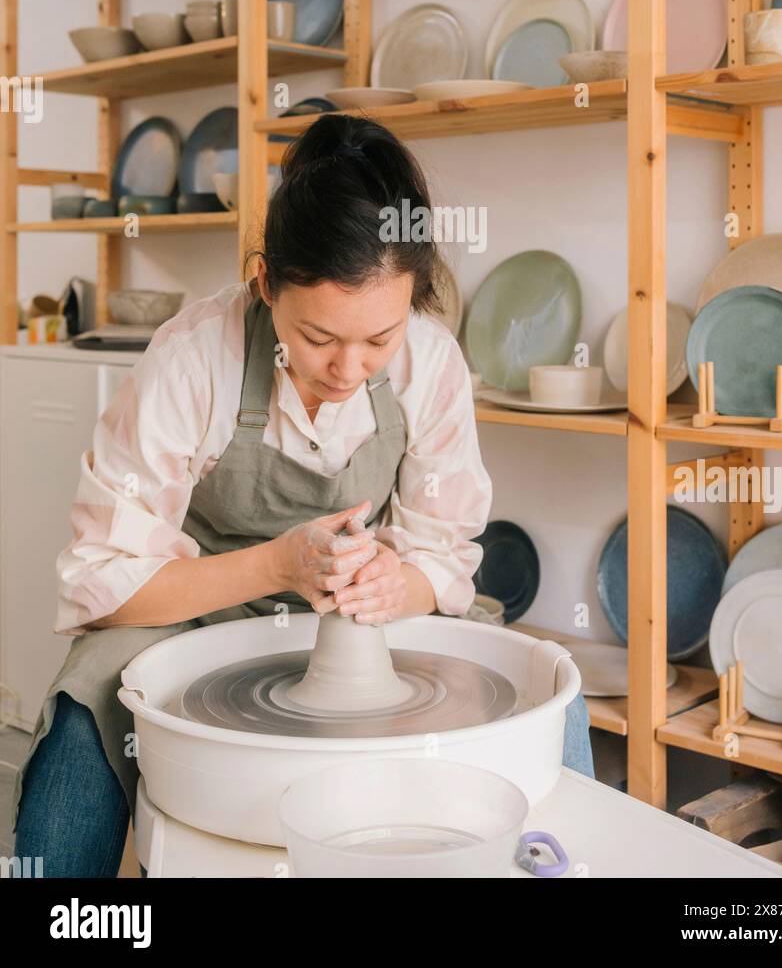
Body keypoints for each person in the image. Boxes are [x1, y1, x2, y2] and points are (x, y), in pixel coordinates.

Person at [13, 114, 594, 877]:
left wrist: (399, 581)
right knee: (83, 731)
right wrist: (278, 566)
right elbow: (102, 581)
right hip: (190, 612)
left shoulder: (431, 364)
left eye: (378, 339)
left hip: (356, 617)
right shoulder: (195, 360)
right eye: (319, 338)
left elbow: (442, 560)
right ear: (266, 284)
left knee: (551, 693)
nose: (350, 368)